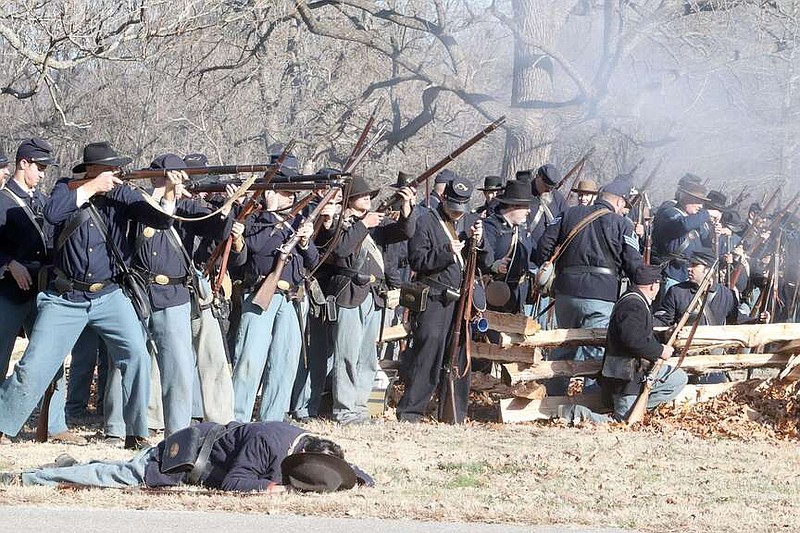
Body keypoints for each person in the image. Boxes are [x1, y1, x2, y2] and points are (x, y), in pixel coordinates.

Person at [0, 142, 171, 449]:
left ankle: (135, 432)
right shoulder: (67, 189)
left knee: (136, 356)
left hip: (109, 295)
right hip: (66, 298)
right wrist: (92, 187)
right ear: (92, 171)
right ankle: (3, 423)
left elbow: (159, 220)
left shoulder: (123, 195)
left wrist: (167, 194)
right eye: (108, 170)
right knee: (33, 368)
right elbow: (53, 215)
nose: (114, 175)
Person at [6, 421, 370, 494]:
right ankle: (32, 478)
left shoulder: (312, 446)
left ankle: (71, 465)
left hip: (202, 451)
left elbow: (340, 468)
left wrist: (360, 478)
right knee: (116, 476)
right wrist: (272, 487)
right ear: (302, 453)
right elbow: (234, 481)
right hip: (183, 459)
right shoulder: (267, 442)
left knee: (114, 469)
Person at [0, 138, 82, 444]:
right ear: (24, 164)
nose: (43, 173)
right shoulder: (2, 200)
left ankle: (55, 426)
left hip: (42, 288)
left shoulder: (42, 201)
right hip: (9, 291)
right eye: (40, 167)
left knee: (52, 357)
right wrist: (9, 263)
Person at [534, 175, 643, 394]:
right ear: (620, 201)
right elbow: (634, 264)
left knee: (563, 347)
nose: (624, 210)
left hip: (566, 292)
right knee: (597, 350)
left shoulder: (568, 214)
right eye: (625, 206)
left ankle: (554, 397)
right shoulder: (622, 224)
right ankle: (591, 399)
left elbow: (543, 247)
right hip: (602, 295)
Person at [320, 175, 416, 424]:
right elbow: (340, 251)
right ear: (350, 200)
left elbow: (405, 231)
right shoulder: (338, 222)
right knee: (347, 355)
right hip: (348, 294)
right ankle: (344, 410)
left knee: (367, 357)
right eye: (363, 195)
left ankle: (361, 408)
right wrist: (364, 225)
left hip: (372, 296)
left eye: (368, 195)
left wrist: (406, 209)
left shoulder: (372, 223)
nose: (368, 198)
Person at [396, 175, 485, 423]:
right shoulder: (426, 222)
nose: (458, 214)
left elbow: (483, 262)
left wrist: (479, 241)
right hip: (435, 298)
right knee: (428, 355)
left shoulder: (470, 222)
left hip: (461, 301)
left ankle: (453, 415)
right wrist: (446, 252)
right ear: (444, 197)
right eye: (454, 206)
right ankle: (411, 412)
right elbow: (417, 260)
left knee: (457, 357)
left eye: (462, 208)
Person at [230, 186, 317, 423]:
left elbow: (314, 260)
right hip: (260, 293)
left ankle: (273, 421)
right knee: (249, 359)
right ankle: (237, 420)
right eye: (284, 192)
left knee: (284, 363)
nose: (290, 197)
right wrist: (269, 213)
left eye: (292, 193)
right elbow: (255, 247)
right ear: (270, 193)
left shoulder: (298, 221)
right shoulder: (255, 218)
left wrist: (306, 241)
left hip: (292, 299)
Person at [598, 264, 688, 421]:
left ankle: (638, 407)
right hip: (626, 378)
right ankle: (575, 413)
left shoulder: (635, 301)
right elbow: (633, 341)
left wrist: (664, 337)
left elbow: (639, 336)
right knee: (623, 422)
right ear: (653, 286)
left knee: (677, 378)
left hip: (634, 374)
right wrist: (660, 350)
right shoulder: (633, 304)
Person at [651, 179, 721, 290]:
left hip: (692, 276)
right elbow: (683, 225)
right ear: (685, 198)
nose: (700, 206)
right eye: (696, 201)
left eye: (702, 202)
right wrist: (708, 213)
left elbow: (706, 248)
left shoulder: (698, 221)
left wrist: (712, 234)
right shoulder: (670, 213)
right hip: (673, 274)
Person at [482, 180, 535, 314]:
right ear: (512, 206)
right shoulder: (491, 226)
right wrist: (495, 265)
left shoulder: (521, 228)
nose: (529, 211)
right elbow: (483, 257)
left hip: (518, 295)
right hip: (496, 295)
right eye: (525, 206)